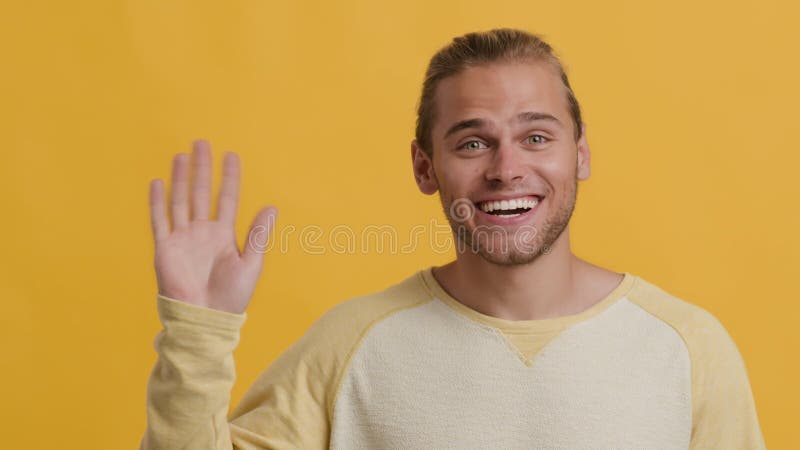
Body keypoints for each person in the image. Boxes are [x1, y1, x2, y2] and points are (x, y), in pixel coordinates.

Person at [141, 28, 765, 449]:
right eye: (472, 141)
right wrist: (198, 333)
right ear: (423, 167)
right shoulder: (349, 346)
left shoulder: (688, 348)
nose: (506, 168)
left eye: (537, 136)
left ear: (580, 155)